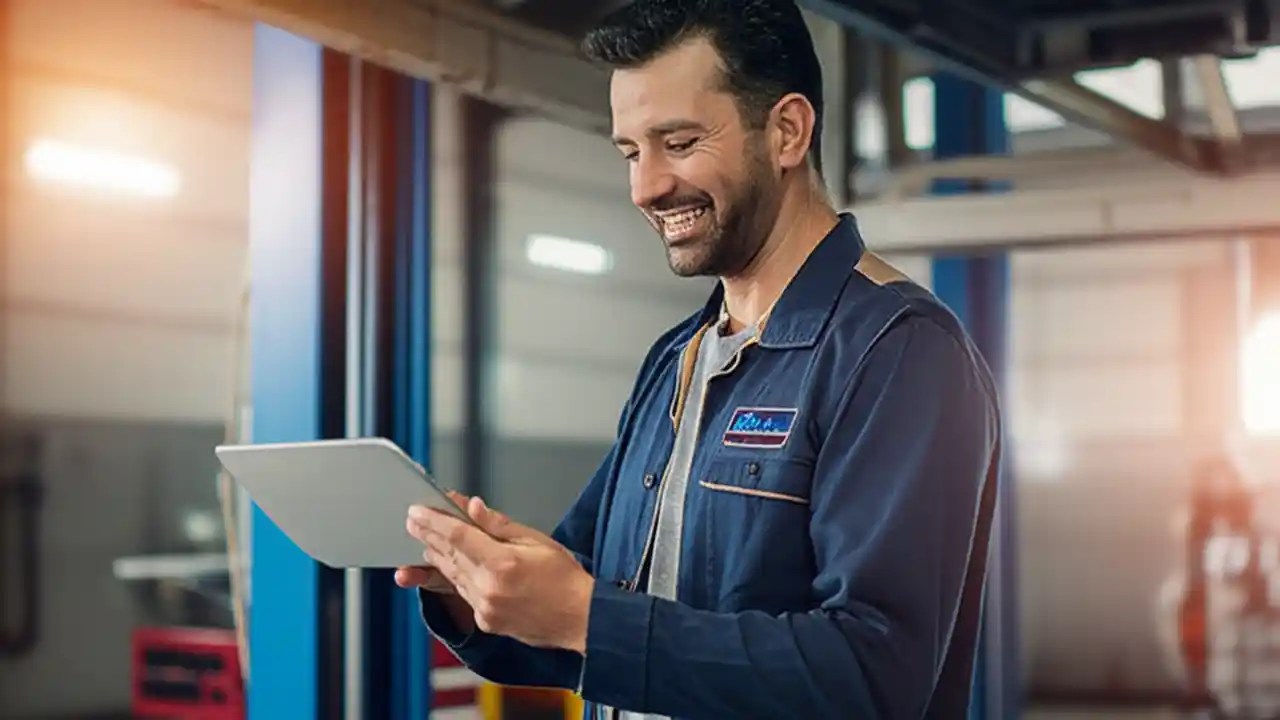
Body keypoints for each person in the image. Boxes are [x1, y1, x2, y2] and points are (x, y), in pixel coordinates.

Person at [395, 0, 1002, 717]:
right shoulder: (678, 358)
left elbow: (873, 676)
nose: (645, 186)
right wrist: (484, 591)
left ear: (786, 131)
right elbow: (597, 604)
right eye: (630, 152)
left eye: (677, 143)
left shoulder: (897, 351)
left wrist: (584, 615)